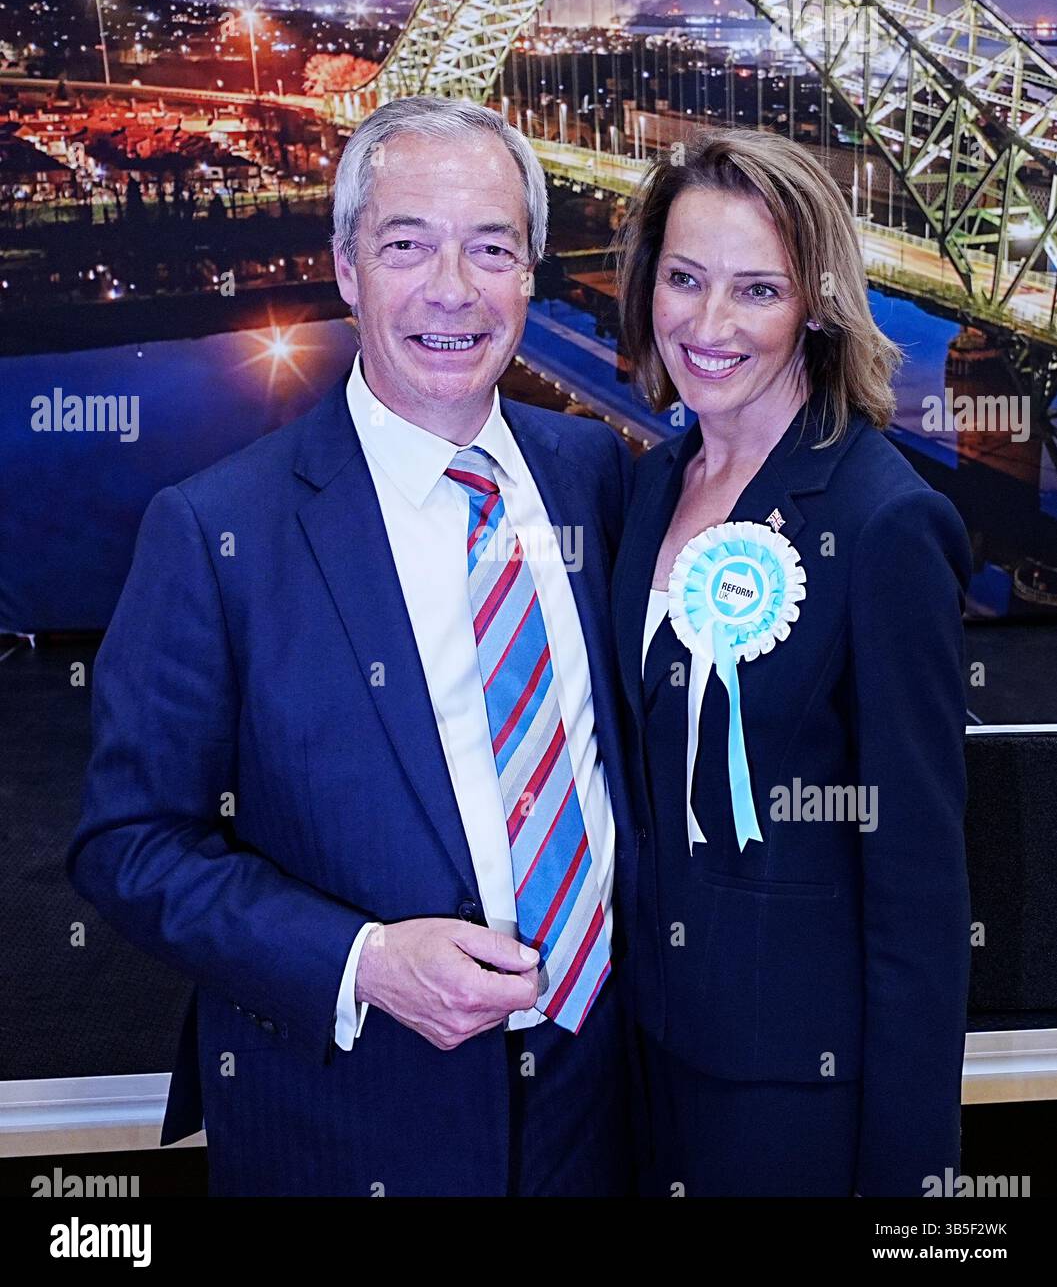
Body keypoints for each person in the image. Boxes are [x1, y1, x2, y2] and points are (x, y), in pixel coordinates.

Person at [68, 96, 638, 1197]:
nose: (451, 289)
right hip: (355, 1120)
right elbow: (128, 843)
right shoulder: (215, 530)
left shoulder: (595, 475)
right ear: (344, 267)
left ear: (531, 273)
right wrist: (363, 962)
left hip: (602, 1100)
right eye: (407, 244)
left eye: (490, 247)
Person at [611, 126, 972, 1197]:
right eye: (683, 278)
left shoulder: (882, 521)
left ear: (813, 303)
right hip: (641, 1060)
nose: (706, 325)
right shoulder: (652, 482)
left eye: (755, 290)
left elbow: (919, 890)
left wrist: (910, 1192)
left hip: (792, 1101)